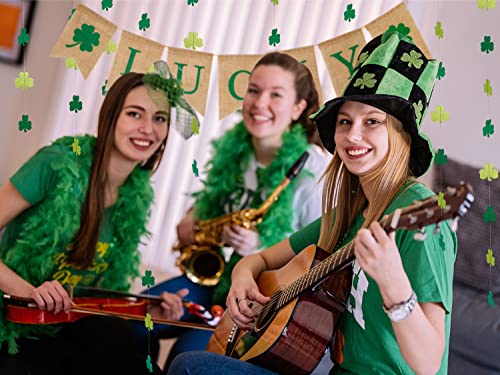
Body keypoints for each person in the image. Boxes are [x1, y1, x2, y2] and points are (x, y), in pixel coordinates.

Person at [167, 30, 457, 375]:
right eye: (345, 121)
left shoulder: (421, 214)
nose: (352, 135)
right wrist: (243, 275)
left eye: (373, 122)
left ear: (403, 135)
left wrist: (394, 283)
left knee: (191, 367)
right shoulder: (347, 214)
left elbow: (429, 364)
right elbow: (260, 259)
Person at [0, 61, 198, 375]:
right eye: (135, 114)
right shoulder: (56, 164)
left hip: (67, 331)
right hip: (13, 328)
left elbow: (96, 298)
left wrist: (148, 308)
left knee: (134, 342)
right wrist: (29, 291)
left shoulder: (137, 196)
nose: (148, 128)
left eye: (159, 118)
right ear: (111, 118)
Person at [140, 52, 330, 370]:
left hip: (263, 302)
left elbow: (322, 260)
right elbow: (200, 211)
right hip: (220, 283)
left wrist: (260, 249)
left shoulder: (312, 168)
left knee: (185, 359)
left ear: (299, 108)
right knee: (133, 321)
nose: (259, 103)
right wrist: (192, 225)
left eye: (275, 95)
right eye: (253, 90)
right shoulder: (236, 150)